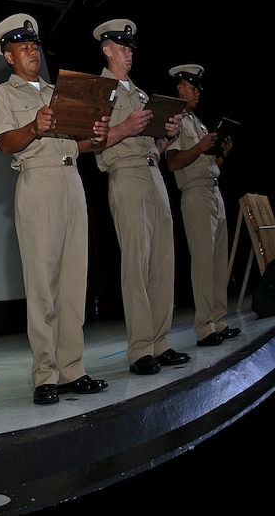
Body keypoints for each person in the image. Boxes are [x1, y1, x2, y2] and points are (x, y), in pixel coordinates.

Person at [0, 14, 109, 406]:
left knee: (75, 279)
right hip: (37, 181)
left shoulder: (60, 91)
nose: (32, 52)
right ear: (9, 56)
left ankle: (73, 368)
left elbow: (81, 143)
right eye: (23, 47)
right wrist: (34, 127)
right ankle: (45, 375)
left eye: (34, 46)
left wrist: (95, 137)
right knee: (42, 283)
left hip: (72, 179)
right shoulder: (3, 95)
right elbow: (5, 143)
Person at [92, 19, 188, 376]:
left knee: (163, 260)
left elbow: (153, 145)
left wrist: (166, 135)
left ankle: (160, 342)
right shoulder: (101, 90)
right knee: (136, 262)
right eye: (122, 46)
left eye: (131, 47)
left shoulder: (142, 93)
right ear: (107, 49)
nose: (129, 52)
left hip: (152, 172)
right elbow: (92, 142)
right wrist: (126, 127)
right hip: (126, 174)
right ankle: (140, 350)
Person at [164, 64, 240, 347]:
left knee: (219, 261)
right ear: (180, 89)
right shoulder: (177, 122)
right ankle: (205, 327)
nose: (196, 92)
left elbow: (209, 165)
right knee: (203, 261)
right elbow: (172, 162)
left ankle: (218, 320)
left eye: (198, 88)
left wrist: (221, 155)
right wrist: (200, 147)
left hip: (213, 190)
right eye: (192, 87)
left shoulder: (199, 123)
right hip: (195, 195)